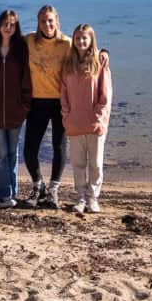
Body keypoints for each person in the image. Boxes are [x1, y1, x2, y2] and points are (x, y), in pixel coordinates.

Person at [0, 9, 31, 208]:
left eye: (12, 24)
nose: (8, 28)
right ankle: (3, 195)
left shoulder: (21, 50)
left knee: (13, 152)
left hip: (15, 112)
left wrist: (25, 106)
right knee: (0, 154)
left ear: (16, 27)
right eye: (5, 24)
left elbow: (26, 80)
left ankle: (12, 191)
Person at [23, 4, 71, 209]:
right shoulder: (29, 41)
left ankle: (53, 190)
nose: (47, 24)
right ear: (38, 22)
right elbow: (4, 42)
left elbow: (89, 53)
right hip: (37, 101)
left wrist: (103, 53)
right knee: (29, 149)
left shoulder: (67, 44)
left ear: (57, 20)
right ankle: (38, 185)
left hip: (60, 102)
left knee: (59, 147)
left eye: (50, 20)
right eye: (43, 20)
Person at [61, 29, 112, 215]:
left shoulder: (100, 63)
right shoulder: (68, 65)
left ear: (91, 40)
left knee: (96, 164)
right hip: (74, 124)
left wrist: (98, 118)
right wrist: (66, 116)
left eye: (85, 38)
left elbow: (105, 95)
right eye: (78, 38)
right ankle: (81, 196)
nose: (81, 41)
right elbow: (64, 94)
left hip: (95, 125)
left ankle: (93, 197)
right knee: (78, 163)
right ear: (73, 40)